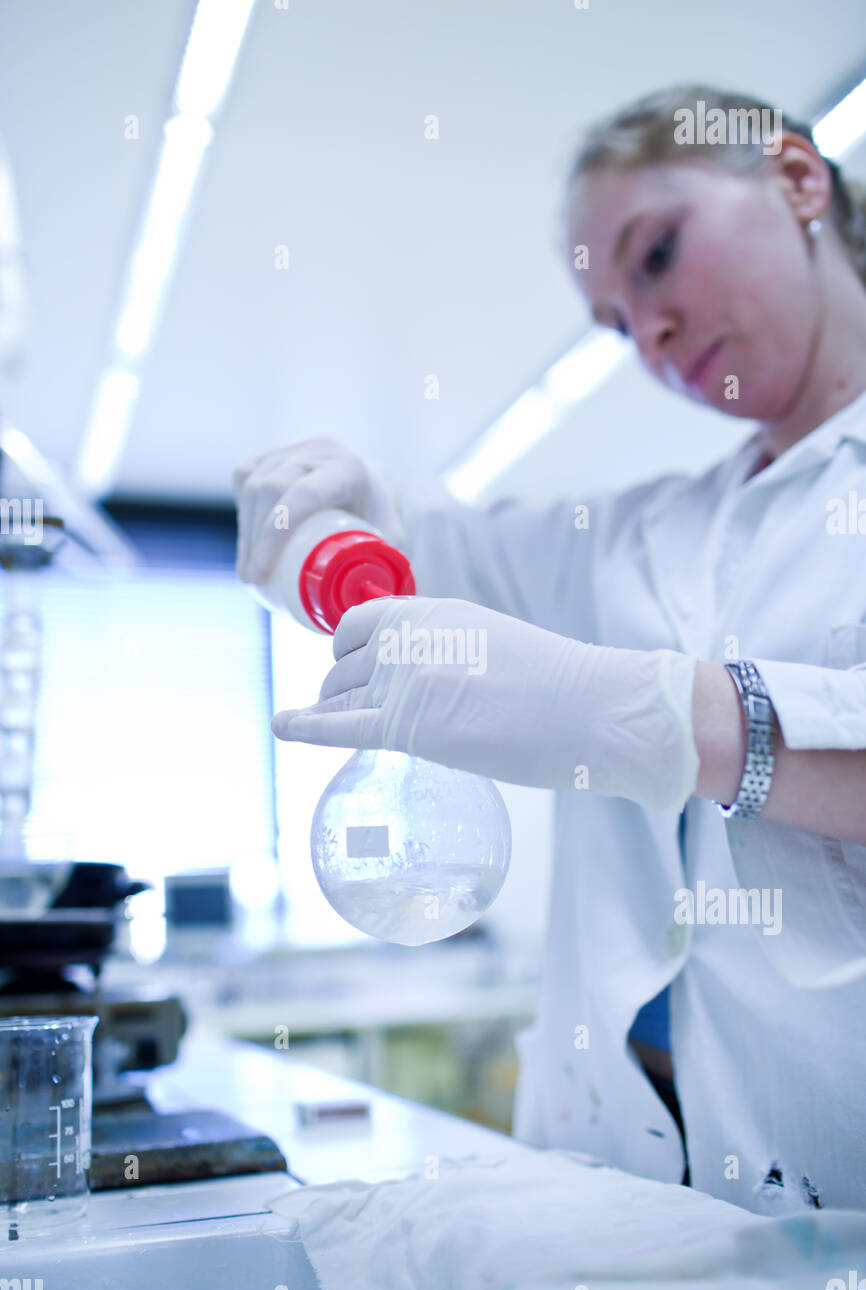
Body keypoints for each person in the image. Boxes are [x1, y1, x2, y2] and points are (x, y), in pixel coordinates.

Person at [235, 85, 866, 1216]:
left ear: (792, 178)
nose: (651, 334)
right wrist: (338, 511)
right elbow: (428, 549)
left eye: (656, 254)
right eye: (615, 324)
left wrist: (659, 720)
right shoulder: (637, 537)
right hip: (610, 1185)